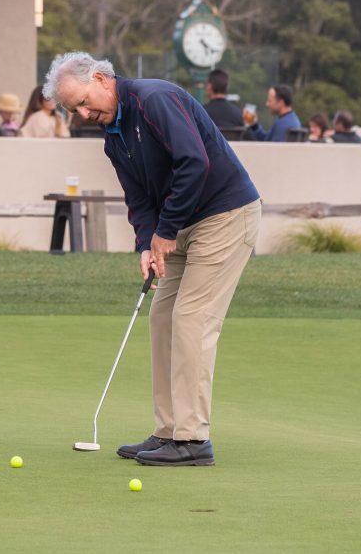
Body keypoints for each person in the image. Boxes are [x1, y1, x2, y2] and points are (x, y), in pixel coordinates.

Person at [46, 51, 261, 468]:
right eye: (74, 110)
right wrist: (148, 243)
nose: (84, 113)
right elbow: (138, 197)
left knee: (192, 319)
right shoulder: (115, 135)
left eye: (85, 101)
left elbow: (193, 163)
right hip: (178, 223)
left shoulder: (154, 98)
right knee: (162, 317)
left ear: (102, 78)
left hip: (225, 214)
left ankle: (193, 439)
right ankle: (169, 430)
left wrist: (165, 232)